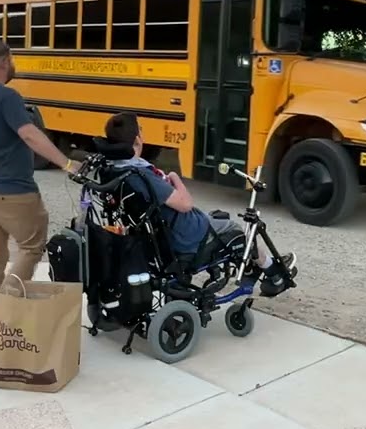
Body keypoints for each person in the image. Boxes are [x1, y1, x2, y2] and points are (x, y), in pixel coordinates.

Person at [101, 111, 291, 296]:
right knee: (238, 232)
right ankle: (273, 272)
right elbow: (185, 205)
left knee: (217, 216)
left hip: (157, 236)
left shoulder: (115, 170)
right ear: (136, 140)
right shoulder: (142, 176)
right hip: (187, 235)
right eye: (140, 130)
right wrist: (175, 178)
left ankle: (258, 264)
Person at [0, 40, 78, 305]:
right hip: (13, 189)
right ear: (4, 61)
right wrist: (67, 163)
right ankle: (7, 305)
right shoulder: (7, 96)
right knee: (32, 245)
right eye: (11, 60)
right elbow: (29, 134)